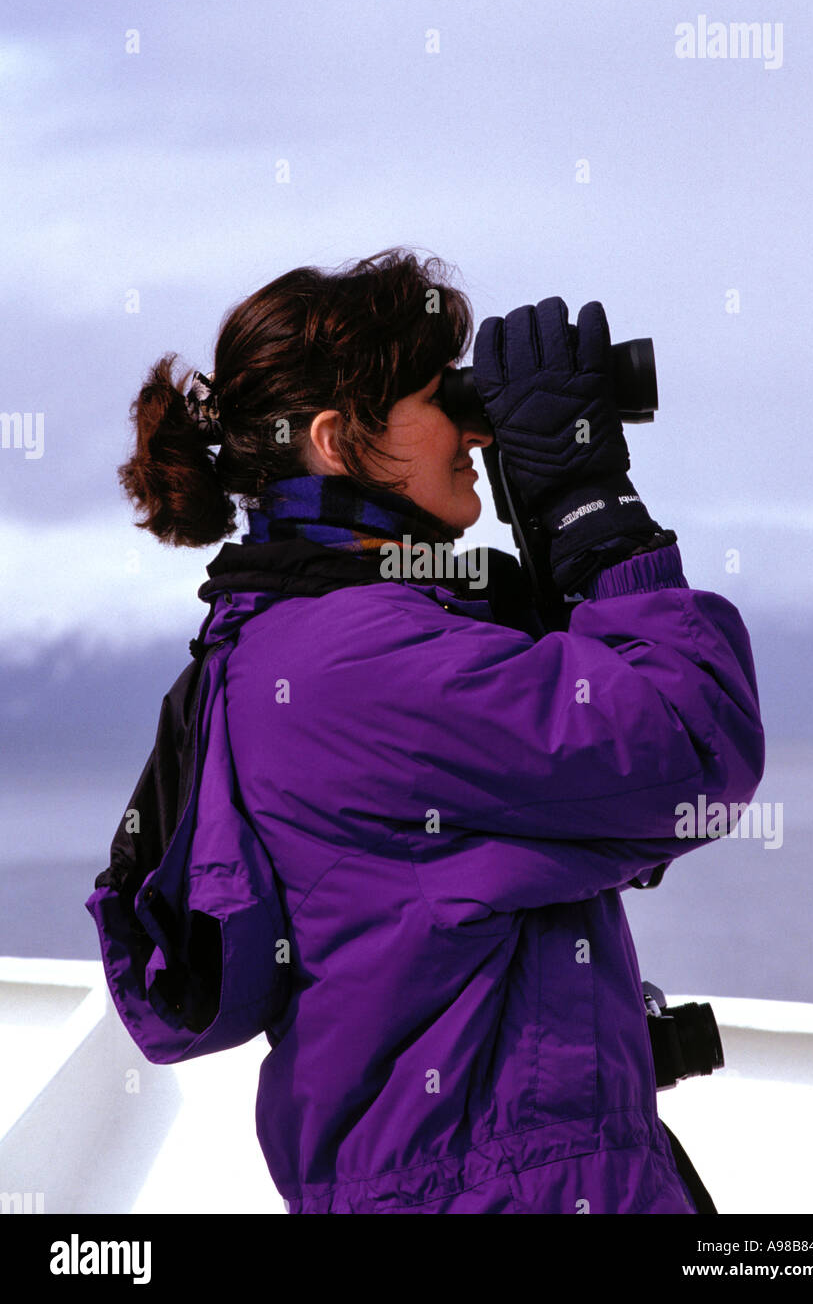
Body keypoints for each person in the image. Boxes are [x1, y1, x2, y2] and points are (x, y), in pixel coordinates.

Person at [87, 247, 764, 1214]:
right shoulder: (358, 659)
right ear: (336, 439)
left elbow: (589, 789)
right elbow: (689, 752)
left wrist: (545, 540)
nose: (474, 432)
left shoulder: (304, 635)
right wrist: (589, 511)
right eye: (440, 397)